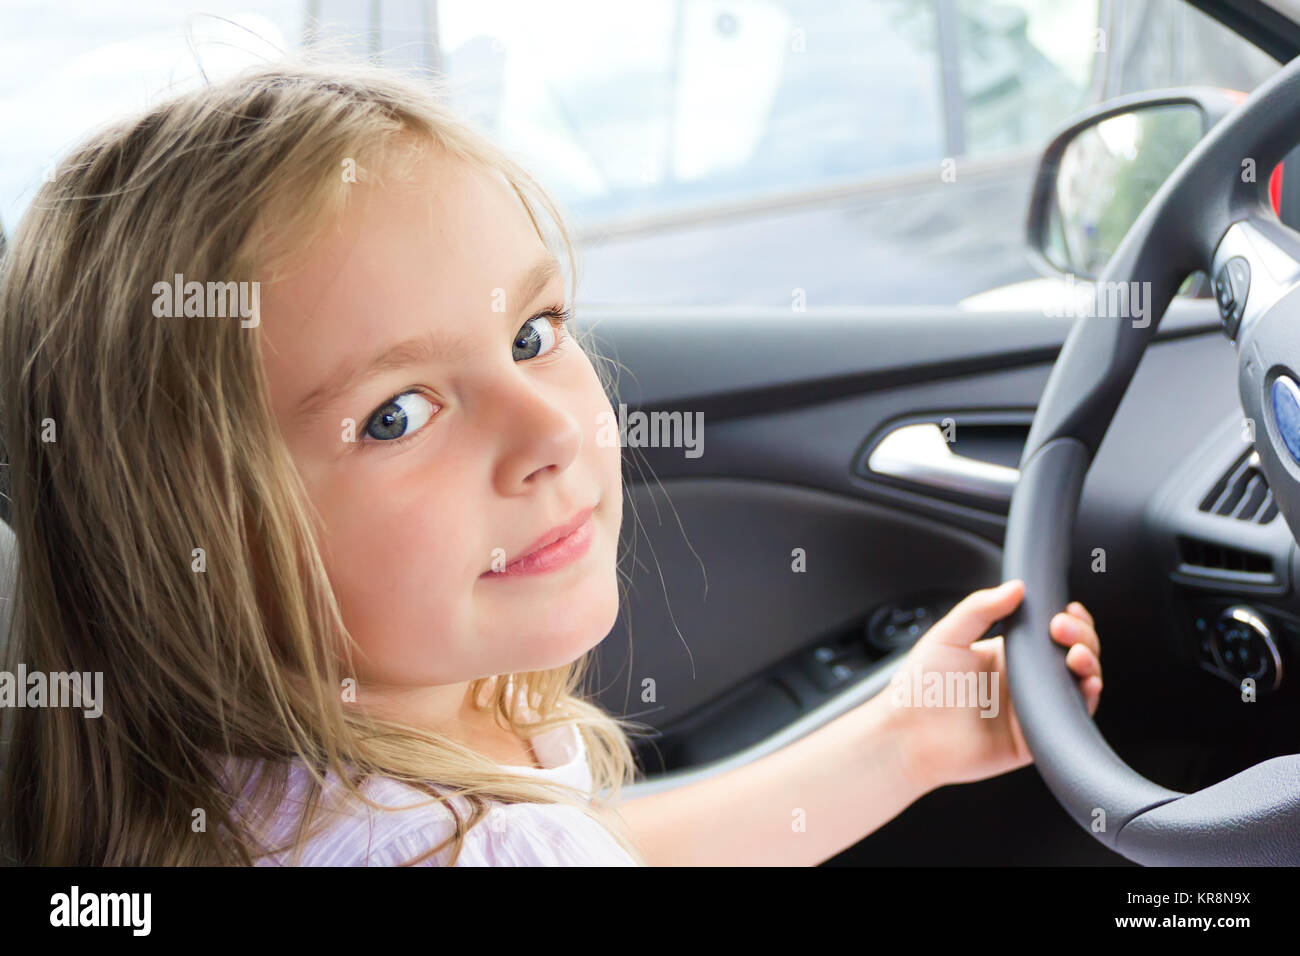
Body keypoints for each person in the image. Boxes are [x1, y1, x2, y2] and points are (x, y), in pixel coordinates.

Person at [0, 58, 1100, 866]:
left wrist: (900, 740)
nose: (553, 432)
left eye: (532, 334)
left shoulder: (279, 783)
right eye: (397, 414)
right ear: (190, 532)